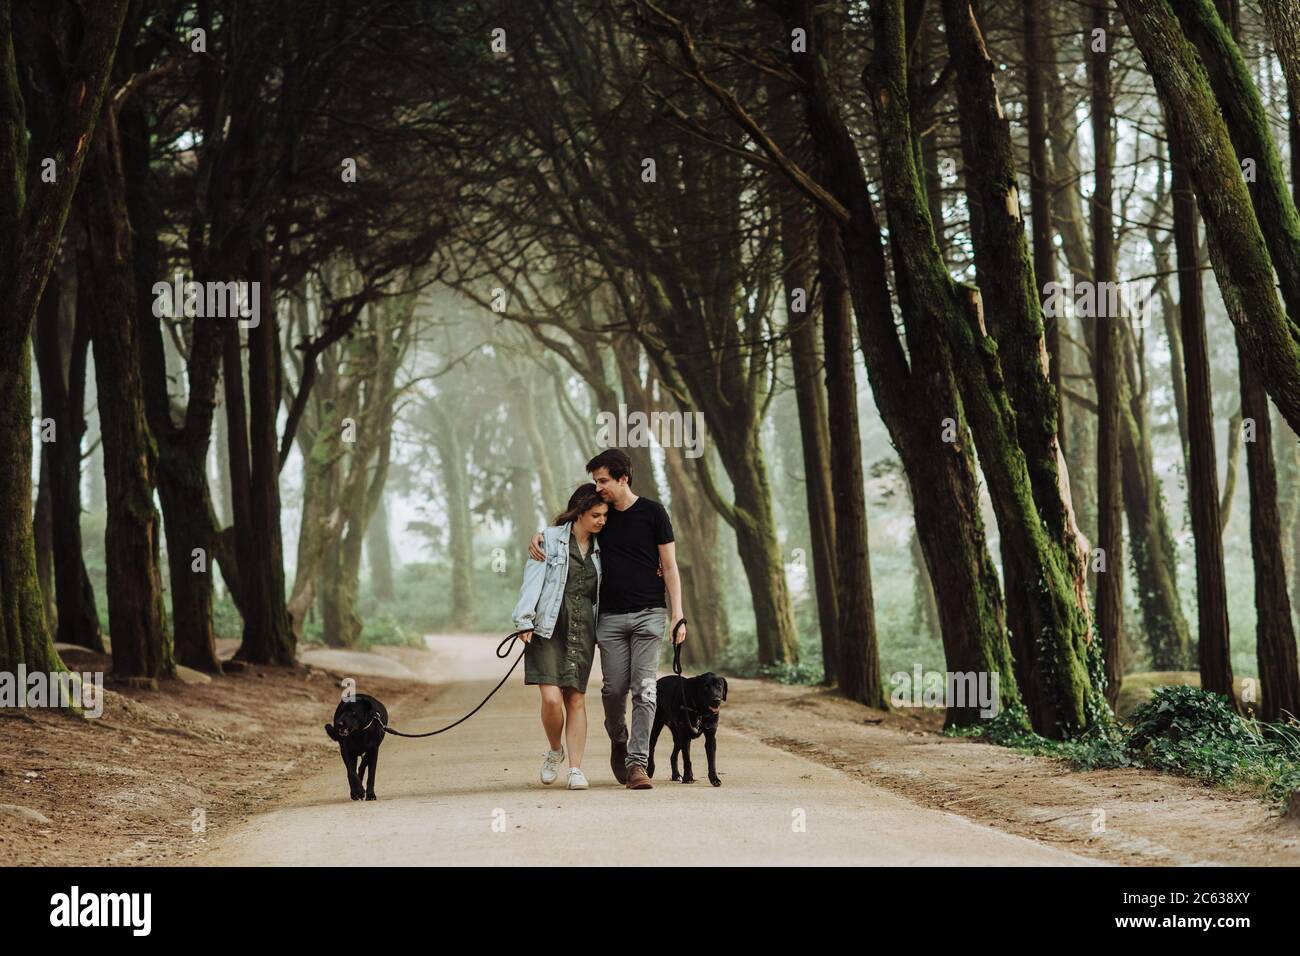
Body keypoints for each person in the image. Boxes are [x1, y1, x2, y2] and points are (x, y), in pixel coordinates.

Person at [529, 449, 685, 790]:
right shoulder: (602, 517)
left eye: (603, 480)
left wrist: (678, 615)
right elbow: (573, 537)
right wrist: (541, 537)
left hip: (650, 613)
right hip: (610, 618)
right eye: (596, 481)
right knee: (614, 690)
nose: (598, 487)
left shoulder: (653, 513)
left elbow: (670, 566)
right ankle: (618, 737)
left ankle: (637, 762)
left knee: (645, 690)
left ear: (623, 478)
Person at [512, 483, 607, 790]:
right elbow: (532, 581)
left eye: (605, 515)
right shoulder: (549, 541)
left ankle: (576, 769)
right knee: (552, 699)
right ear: (579, 512)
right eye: (595, 515)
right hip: (548, 625)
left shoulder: (604, 546)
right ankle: (555, 750)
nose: (601, 521)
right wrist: (523, 620)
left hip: (583, 628)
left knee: (576, 698)